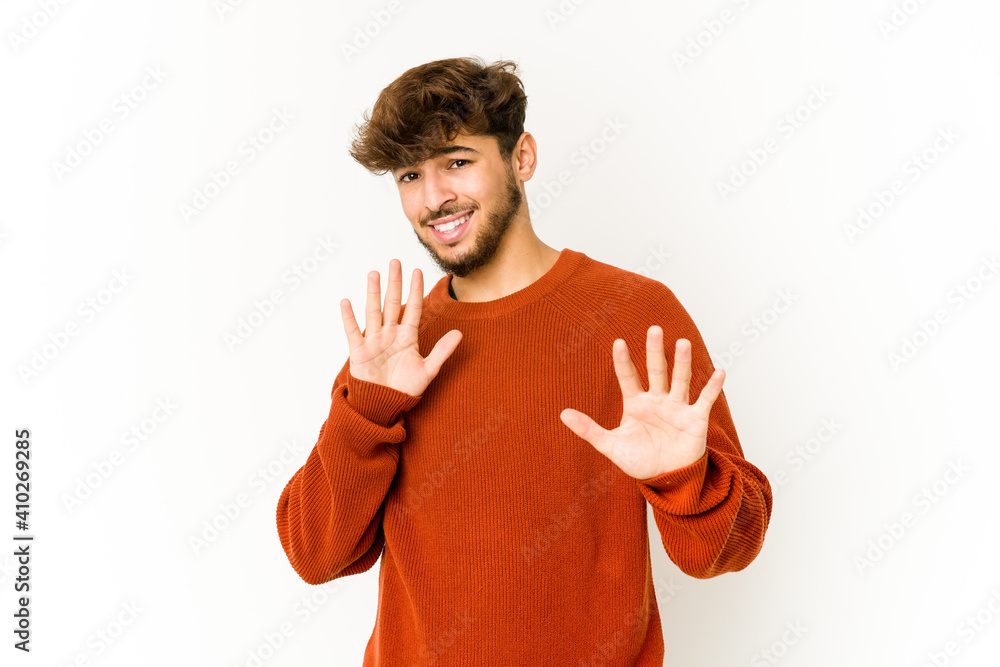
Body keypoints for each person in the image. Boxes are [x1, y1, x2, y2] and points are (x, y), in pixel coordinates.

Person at [275, 55, 773, 666]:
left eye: (457, 162)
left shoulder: (634, 313)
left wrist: (683, 480)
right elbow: (314, 555)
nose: (434, 197)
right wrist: (369, 413)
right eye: (409, 175)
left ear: (522, 157)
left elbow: (729, 549)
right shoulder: (396, 345)